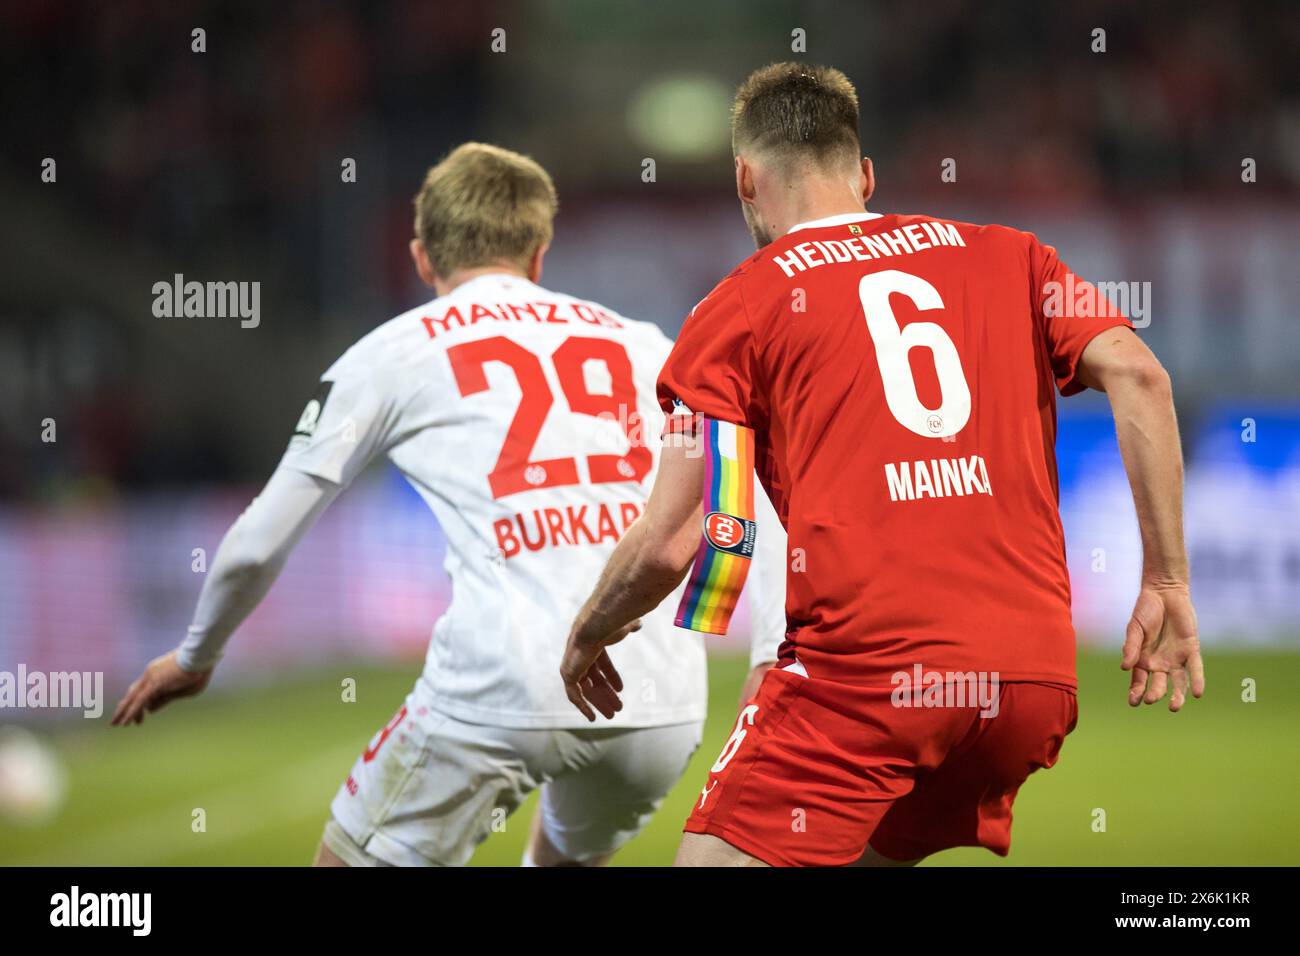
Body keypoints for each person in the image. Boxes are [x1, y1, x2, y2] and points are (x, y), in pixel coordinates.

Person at [560, 63, 1204, 867]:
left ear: (745, 181)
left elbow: (678, 535)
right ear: (865, 174)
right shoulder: (1014, 256)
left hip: (866, 683)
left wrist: (589, 630)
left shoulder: (735, 308)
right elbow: (1142, 376)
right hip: (1029, 685)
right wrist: (1169, 580)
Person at [112, 142, 784, 867]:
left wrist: (197, 654)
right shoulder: (648, 344)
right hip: (657, 697)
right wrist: (768, 651)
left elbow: (256, 540)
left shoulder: (393, 352)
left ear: (422, 258)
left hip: (500, 684)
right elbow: (748, 501)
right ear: (539, 253)